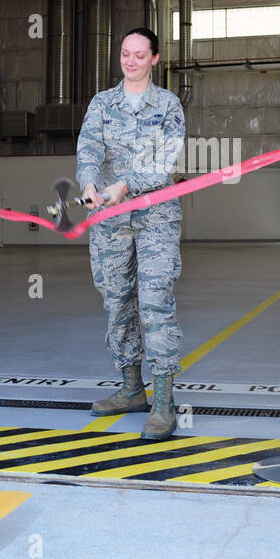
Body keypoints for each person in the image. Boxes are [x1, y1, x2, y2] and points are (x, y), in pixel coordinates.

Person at [77, 28, 186, 441]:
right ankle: (130, 389)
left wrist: (125, 184)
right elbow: (87, 148)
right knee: (116, 302)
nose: (132, 61)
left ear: (155, 59)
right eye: (126, 54)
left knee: (156, 303)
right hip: (110, 219)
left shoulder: (169, 105)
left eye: (140, 55)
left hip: (156, 216)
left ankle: (162, 403)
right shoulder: (103, 103)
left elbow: (165, 161)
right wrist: (88, 183)